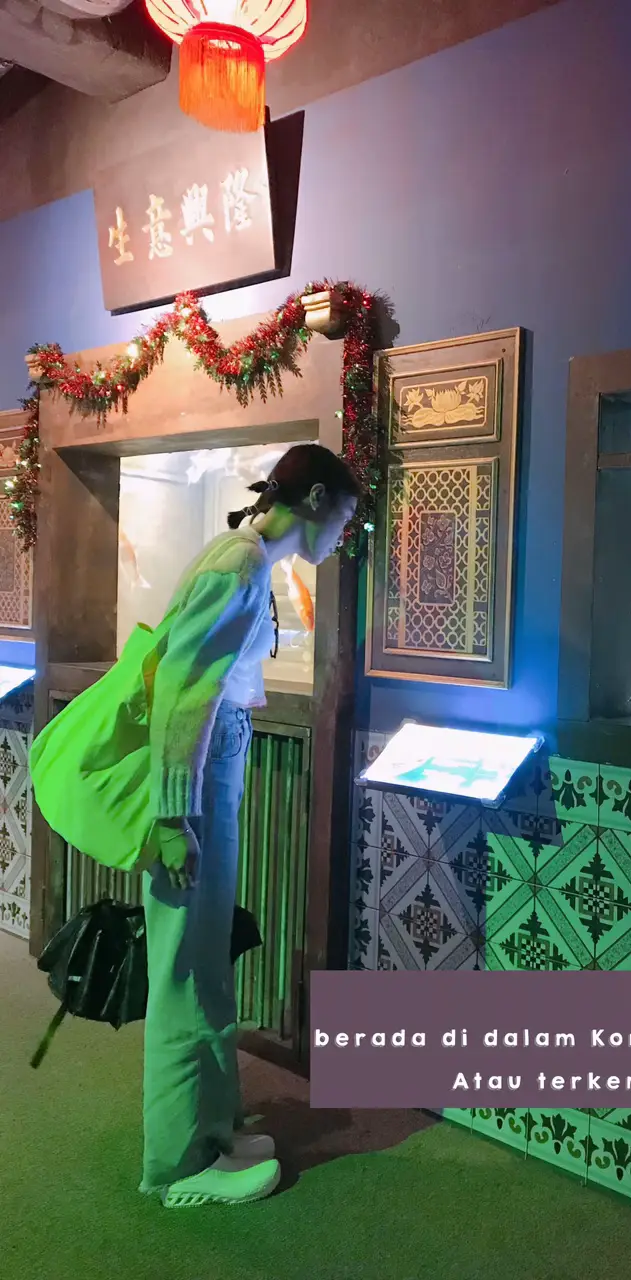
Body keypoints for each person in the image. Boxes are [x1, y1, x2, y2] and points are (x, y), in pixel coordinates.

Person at [140, 443, 359, 1208]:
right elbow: (182, 692)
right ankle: (178, 1165)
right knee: (183, 970)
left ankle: (212, 1131)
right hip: (194, 782)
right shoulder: (237, 565)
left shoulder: (250, 562)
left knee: (205, 960)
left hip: (211, 770)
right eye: (345, 519)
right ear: (317, 501)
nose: (343, 536)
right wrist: (173, 815)